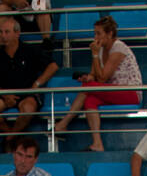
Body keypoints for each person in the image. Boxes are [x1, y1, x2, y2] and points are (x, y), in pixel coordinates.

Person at [54, 16, 141, 153]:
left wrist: (94, 55)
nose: (95, 37)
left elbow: (102, 79)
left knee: (89, 88)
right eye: (94, 33)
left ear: (110, 34)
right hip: (113, 91)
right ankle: (97, 143)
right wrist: (87, 78)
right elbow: (94, 75)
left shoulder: (118, 48)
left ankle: (63, 123)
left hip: (130, 92)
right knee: (90, 100)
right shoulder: (99, 49)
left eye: (99, 33)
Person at [0, 17, 58, 136]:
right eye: (1, 32)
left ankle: (11, 138)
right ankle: (12, 135)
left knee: (28, 109)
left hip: (27, 94)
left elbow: (53, 66)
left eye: (7, 32)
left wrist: (36, 84)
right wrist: (5, 95)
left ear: (17, 33)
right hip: (3, 96)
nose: (3, 36)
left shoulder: (30, 50)